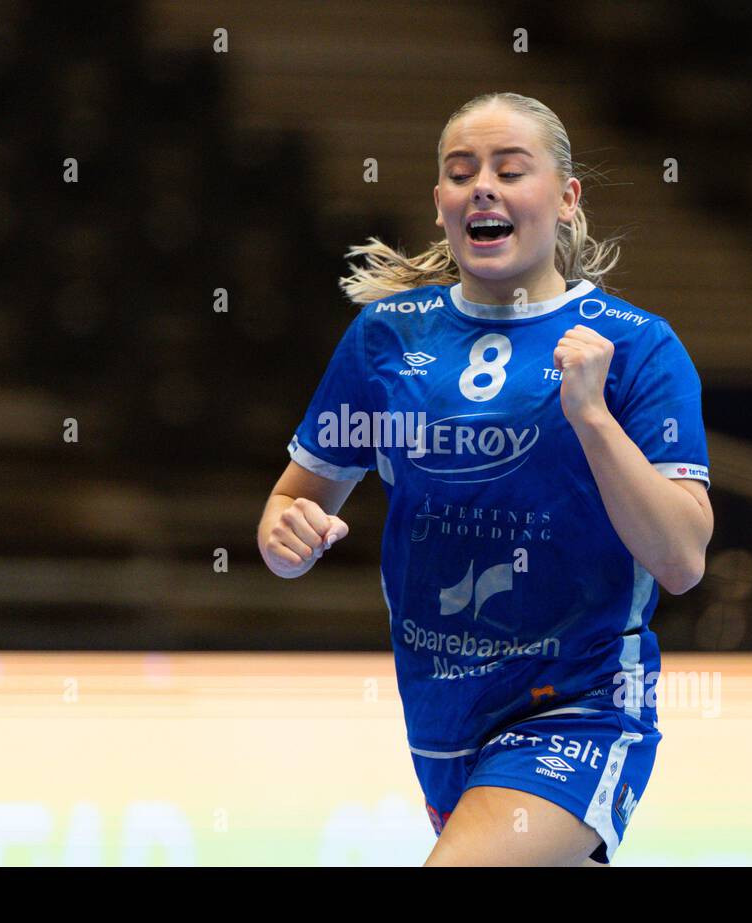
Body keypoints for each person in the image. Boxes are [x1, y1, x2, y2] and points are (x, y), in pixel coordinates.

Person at [257, 92, 713, 866]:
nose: (482, 187)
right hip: (441, 712)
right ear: (440, 205)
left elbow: (681, 562)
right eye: (460, 172)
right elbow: (291, 509)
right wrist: (283, 536)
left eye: (510, 169)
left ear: (567, 200)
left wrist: (593, 419)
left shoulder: (638, 347)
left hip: (580, 706)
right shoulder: (386, 338)